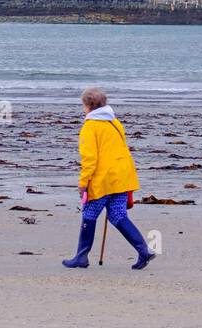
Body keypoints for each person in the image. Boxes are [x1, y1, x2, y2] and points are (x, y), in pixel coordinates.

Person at [63, 87, 155, 270]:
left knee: (89, 215)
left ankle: (81, 257)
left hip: (103, 179)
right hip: (122, 175)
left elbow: (90, 159)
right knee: (118, 215)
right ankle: (144, 251)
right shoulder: (115, 122)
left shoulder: (90, 127)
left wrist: (83, 183)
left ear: (88, 105)